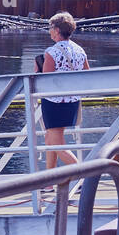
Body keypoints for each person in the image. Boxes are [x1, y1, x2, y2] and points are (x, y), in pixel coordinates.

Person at [39, 11, 89, 185]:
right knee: (50, 139)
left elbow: (45, 80)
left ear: (58, 30)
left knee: (56, 143)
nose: (49, 31)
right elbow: (87, 74)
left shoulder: (51, 52)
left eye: (51, 28)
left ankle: (84, 177)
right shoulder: (79, 50)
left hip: (54, 103)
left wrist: (36, 70)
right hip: (72, 101)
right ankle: (48, 181)